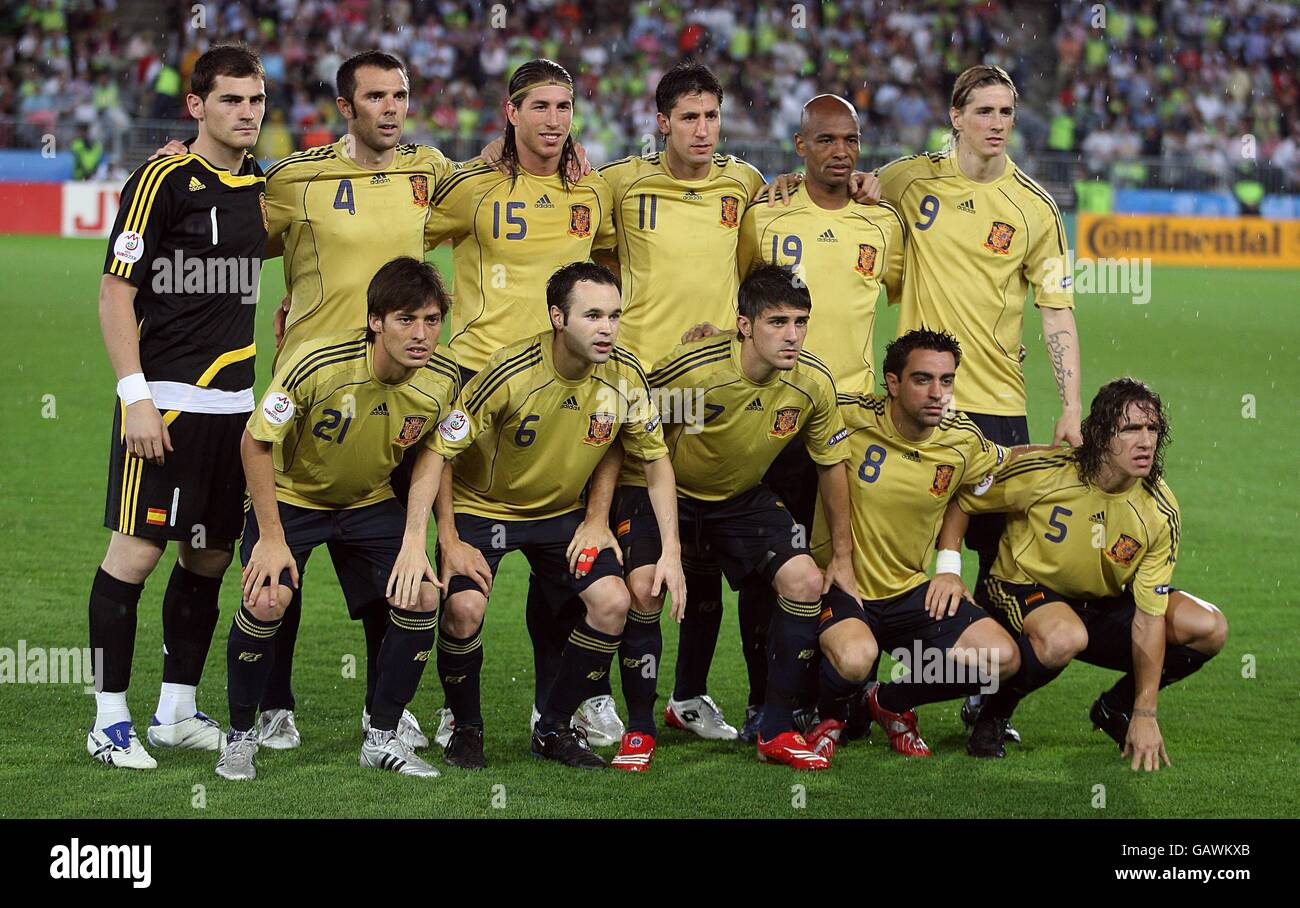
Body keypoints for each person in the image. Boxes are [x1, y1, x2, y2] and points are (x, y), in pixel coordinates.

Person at [394, 262, 686, 770]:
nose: (607, 328)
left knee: (613, 601)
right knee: (463, 612)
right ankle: (466, 728)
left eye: (615, 316)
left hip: (560, 516)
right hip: (482, 510)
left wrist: (659, 546)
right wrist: (445, 535)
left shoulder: (626, 376)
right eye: (592, 315)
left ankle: (552, 728)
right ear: (557, 316)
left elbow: (651, 459)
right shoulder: (509, 372)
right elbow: (440, 449)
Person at [422, 59, 627, 750]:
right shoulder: (474, 186)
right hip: (481, 390)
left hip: (565, 394)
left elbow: (609, 263)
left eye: (564, 106)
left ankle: (564, 705)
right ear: (511, 113)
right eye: (539, 106)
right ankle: (456, 711)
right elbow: (401, 233)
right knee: (466, 581)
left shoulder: (590, 189)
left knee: (558, 571)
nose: (553, 120)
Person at [877, 64, 1083, 738]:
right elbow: (849, 190)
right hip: (918, 402)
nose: (998, 123)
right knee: (892, 555)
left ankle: (992, 705)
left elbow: (1056, 312)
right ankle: (855, 690)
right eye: (986, 110)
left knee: (1006, 572)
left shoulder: (1034, 207)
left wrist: (1071, 405)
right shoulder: (910, 179)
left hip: (996, 407)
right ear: (956, 115)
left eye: (1007, 111)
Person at [87, 45, 267, 769]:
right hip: (163, 403)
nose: (247, 113)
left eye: (255, 100)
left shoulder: (261, 183)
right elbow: (115, 291)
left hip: (235, 409)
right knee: (136, 554)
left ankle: (176, 712)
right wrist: (134, 397)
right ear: (196, 106)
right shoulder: (160, 177)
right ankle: (106, 721)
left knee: (209, 557)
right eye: (231, 100)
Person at [216, 257, 460, 780]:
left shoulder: (443, 380)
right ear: (375, 321)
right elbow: (255, 443)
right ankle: (239, 739)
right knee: (266, 597)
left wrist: (418, 539)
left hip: (367, 501)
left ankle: (382, 735)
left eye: (432, 320)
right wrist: (272, 538)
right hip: (290, 497)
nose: (421, 335)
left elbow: (433, 457)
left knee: (419, 591)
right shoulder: (317, 362)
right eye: (406, 320)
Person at [612, 265, 857, 770]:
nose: (793, 336)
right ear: (744, 325)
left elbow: (833, 466)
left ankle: (776, 727)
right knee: (643, 590)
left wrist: (844, 557)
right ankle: (639, 729)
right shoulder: (694, 372)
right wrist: (601, 514)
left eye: (801, 322)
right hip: (665, 493)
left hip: (739, 498)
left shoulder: (811, 382)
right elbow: (626, 428)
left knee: (805, 580)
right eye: (778, 323)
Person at [731, 93, 904, 740]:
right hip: (775, 420)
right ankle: (763, 699)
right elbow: (740, 304)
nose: (841, 152)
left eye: (852, 141)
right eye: (827, 140)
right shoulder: (767, 218)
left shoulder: (881, 225)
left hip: (854, 423)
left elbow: (901, 293)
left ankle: (838, 695)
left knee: (848, 561)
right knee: (773, 566)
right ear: (800, 147)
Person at [947, 378, 1228, 769]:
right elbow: (967, 494)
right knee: (1064, 636)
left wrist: (1145, 711)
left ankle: (1115, 708)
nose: (1145, 441)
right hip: (1021, 585)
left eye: (1152, 429)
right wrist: (948, 566)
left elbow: (1149, 615)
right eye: (1130, 429)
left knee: (1208, 626)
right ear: (1099, 433)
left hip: (1100, 602)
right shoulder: (1046, 471)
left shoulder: (1158, 509)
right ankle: (991, 714)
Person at [806, 330, 1024, 760]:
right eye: (922, 379)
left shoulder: (962, 439)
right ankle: (827, 714)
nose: (937, 393)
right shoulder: (847, 416)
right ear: (892, 382)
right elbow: (777, 398)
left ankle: (889, 701)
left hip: (908, 588)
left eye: (946, 381)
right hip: (841, 585)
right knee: (854, 658)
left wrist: (948, 565)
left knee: (1002, 658)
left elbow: (1008, 466)